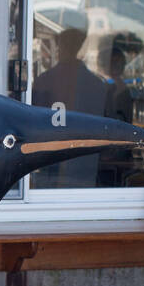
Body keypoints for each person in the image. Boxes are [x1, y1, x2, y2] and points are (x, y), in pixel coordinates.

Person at [31, 24, 116, 188]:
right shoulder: (98, 85)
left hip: (52, 165)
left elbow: (33, 125)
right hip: (82, 167)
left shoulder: (45, 80)